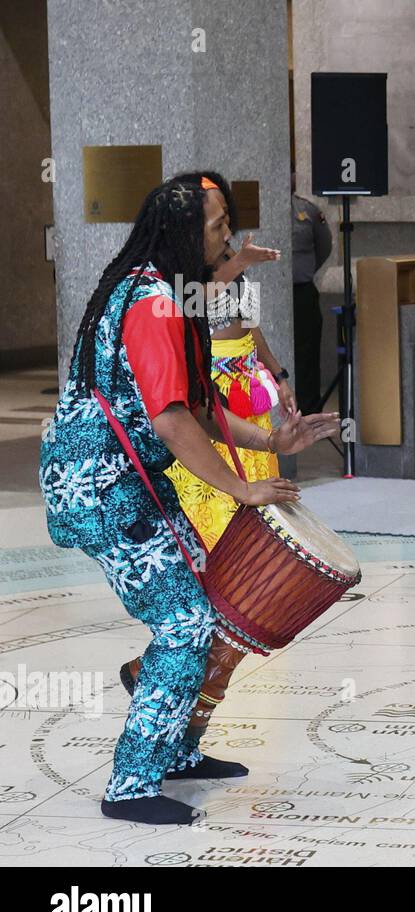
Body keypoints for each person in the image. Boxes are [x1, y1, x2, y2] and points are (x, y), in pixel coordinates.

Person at [39, 176, 339, 825]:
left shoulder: (166, 293)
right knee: (186, 626)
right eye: (215, 226)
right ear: (178, 233)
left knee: (209, 603)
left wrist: (271, 437)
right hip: (101, 489)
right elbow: (173, 420)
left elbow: (199, 410)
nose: (226, 238)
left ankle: (176, 750)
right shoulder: (151, 301)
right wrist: (241, 486)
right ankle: (131, 784)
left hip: (132, 481)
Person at [166, 171, 291, 550]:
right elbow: (193, 302)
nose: (226, 229)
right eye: (218, 222)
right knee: (217, 476)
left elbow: (251, 323)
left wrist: (278, 373)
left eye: (227, 219)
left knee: (257, 458)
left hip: (246, 374)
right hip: (213, 380)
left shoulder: (235, 261)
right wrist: (238, 264)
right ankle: (214, 551)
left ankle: (252, 549)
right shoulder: (184, 269)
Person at [291, 171, 333, 413]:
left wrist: (304, 271)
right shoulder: (260, 208)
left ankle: (308, 410)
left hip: (302, 292)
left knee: (307, 353)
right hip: (271, 294)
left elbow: (324, 246)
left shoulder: (308, 210)